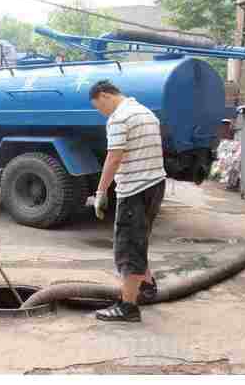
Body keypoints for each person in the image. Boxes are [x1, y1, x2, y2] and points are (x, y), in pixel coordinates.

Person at [89, 80, 167, 323]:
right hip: (155, 185)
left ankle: (128, 307)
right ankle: (146, 285)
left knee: (128, 247)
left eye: (97, 106)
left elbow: (113, 158)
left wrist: (101, 193)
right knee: (138, 238)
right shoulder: (145, 112)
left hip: (135, 190)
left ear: (103, 96)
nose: (100, 112)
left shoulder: (119, 118)